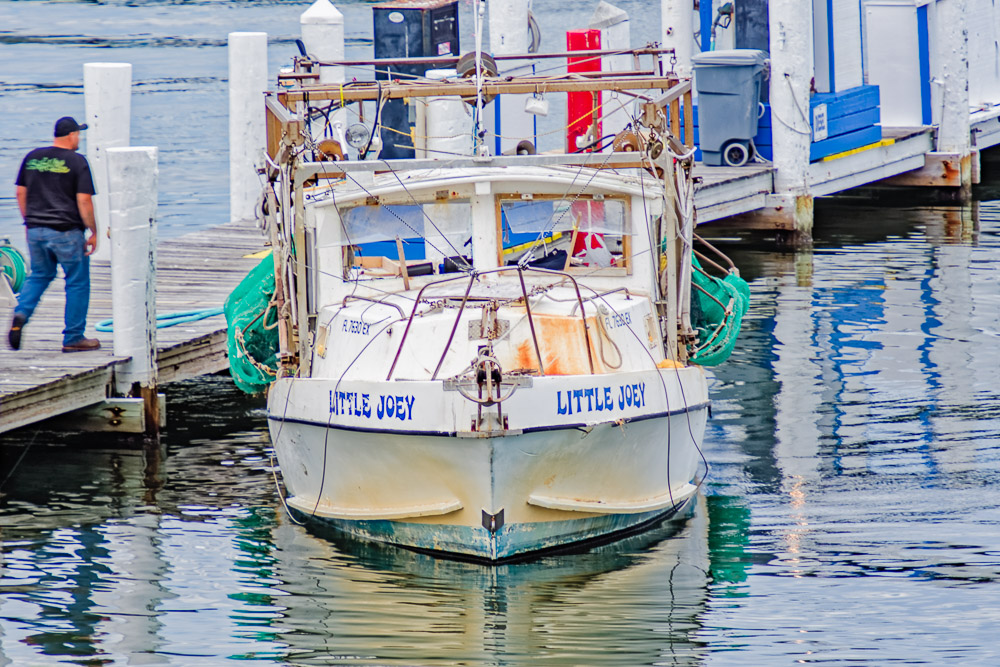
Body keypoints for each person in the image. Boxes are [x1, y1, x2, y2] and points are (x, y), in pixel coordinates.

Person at [8, 116, 101, 352]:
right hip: (66, 232)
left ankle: (21, 313)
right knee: (77, 282)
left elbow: (20, 192)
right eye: (78, 134)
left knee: (40, 274)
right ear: (71, 135)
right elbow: (84, 200)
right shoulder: (77, 161)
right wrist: (93, 230)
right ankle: (73, 338)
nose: (79, 138)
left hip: (35, 231)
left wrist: (29, 221)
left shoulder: (32, 157)